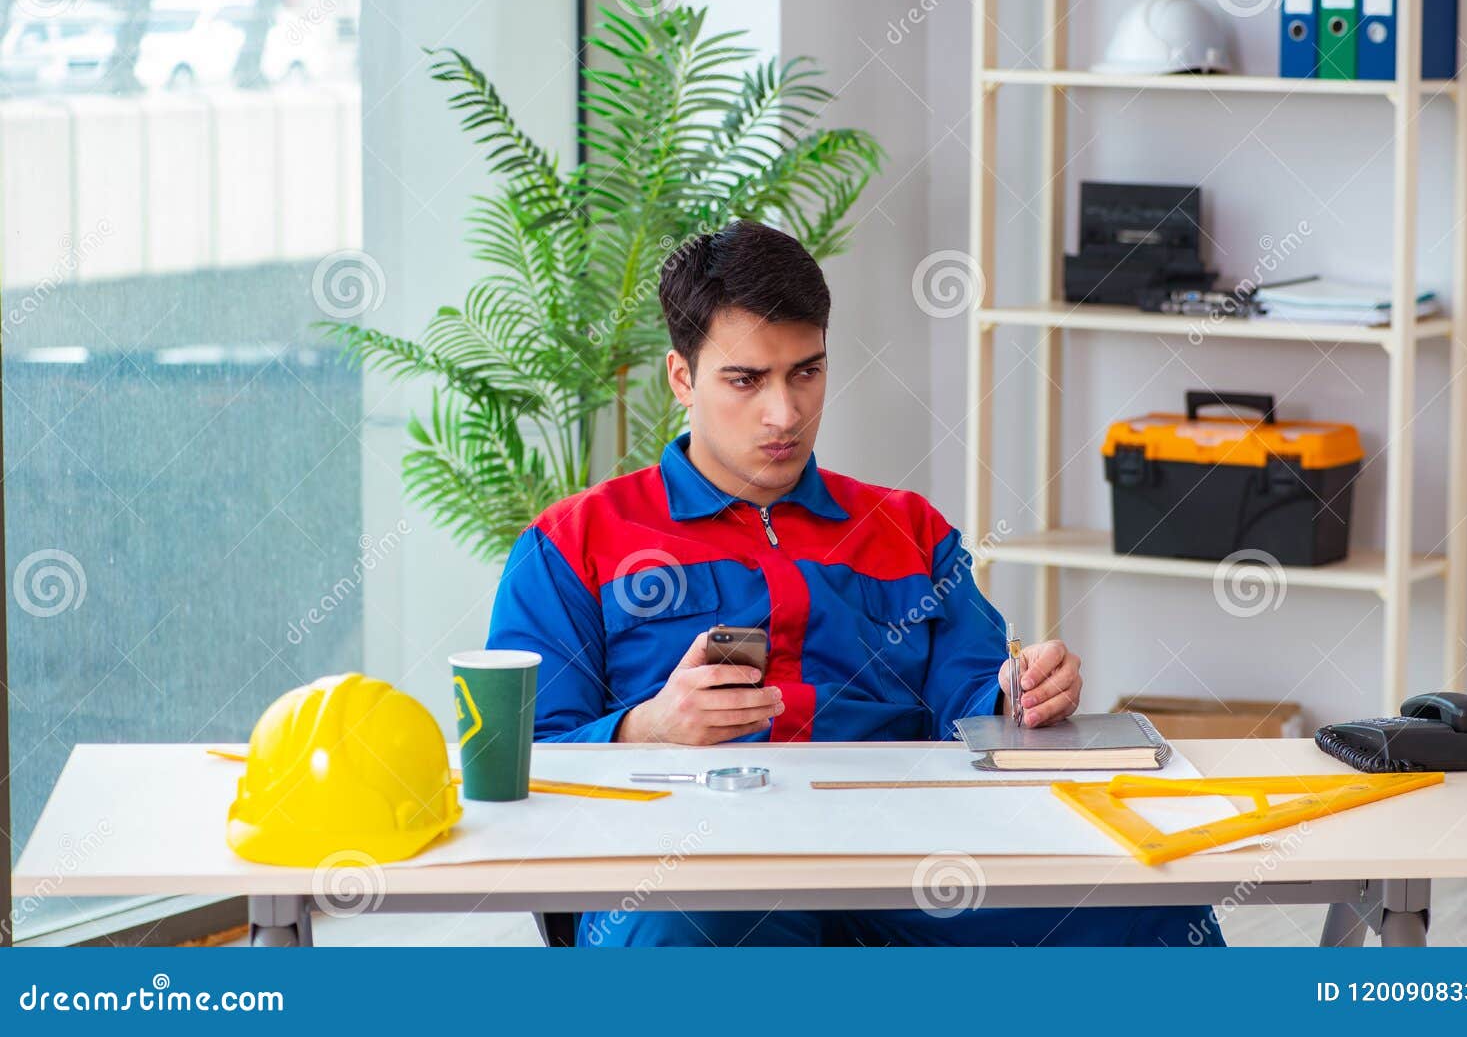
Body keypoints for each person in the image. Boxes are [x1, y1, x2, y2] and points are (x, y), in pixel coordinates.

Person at [487, 219, 1223, 947]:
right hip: (689, 875)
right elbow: (518, 763)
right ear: (682, 377)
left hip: (909, 865)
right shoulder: (572, 543)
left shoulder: (909, 529)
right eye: (746, 380)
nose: (786, 413)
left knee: (1153, 908)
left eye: (806, 371)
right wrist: (647, 728)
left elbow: (972, 702)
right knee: (700, 933)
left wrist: (1018, 689)